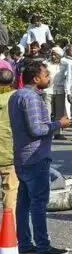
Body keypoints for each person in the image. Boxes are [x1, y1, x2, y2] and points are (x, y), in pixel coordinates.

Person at [8, 59, 72, 254]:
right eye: (46, 75)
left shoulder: (16, 95)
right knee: (38, 202)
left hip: (22, 156)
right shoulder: (31, 98)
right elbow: (37, 129)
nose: (49, 78)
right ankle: (43, 246)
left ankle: (25, 243)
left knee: (24, 203)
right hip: (35, 157)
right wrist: (58, 124)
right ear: (36, 78)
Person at [0, 69, 18, 212]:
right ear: (12, 81)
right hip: (9, 151)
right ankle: (9, 228)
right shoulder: (16, 98)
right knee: (10, 189)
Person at [46, 47, 67, 139]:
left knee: (59, 113)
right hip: (47, 91)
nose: (54, 56)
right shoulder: (46, 64)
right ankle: (47, 131)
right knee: (47, 111)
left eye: (56, 55)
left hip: (60, 90)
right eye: (52, 54)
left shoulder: (65, 65)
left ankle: (58, 132)